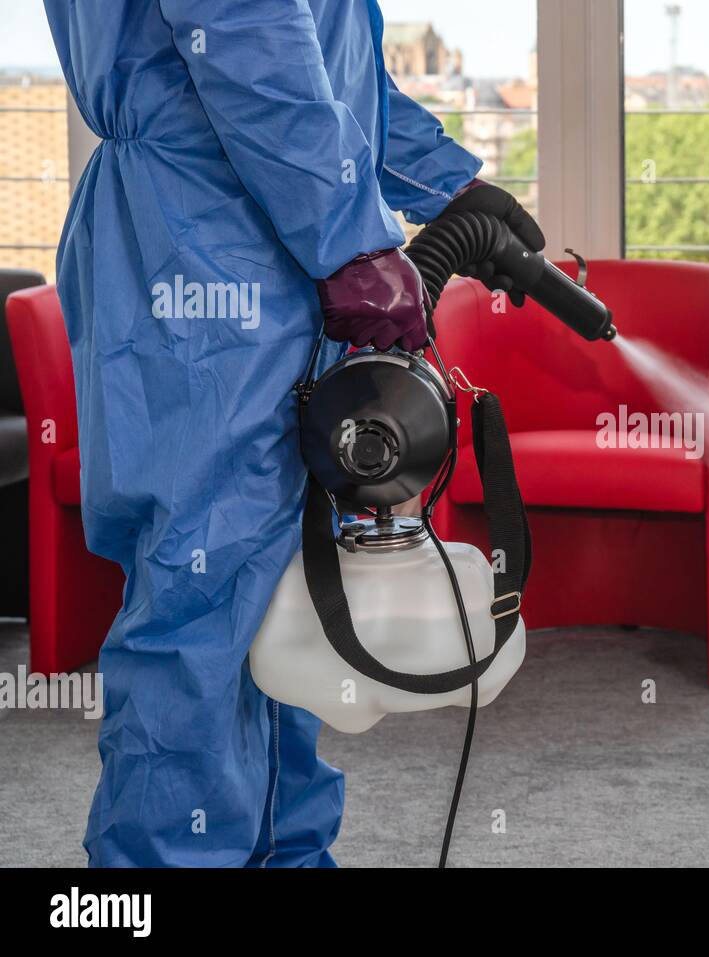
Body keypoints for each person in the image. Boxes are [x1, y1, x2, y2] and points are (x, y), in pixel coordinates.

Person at [43, 0, 541, 866]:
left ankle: (286, 855)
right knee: (201, 596)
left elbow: (329, 78)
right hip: (203, 243)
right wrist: (351, 241)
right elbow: (245, 37)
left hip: (262, 235)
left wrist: (451, 188)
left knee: (293, 589)